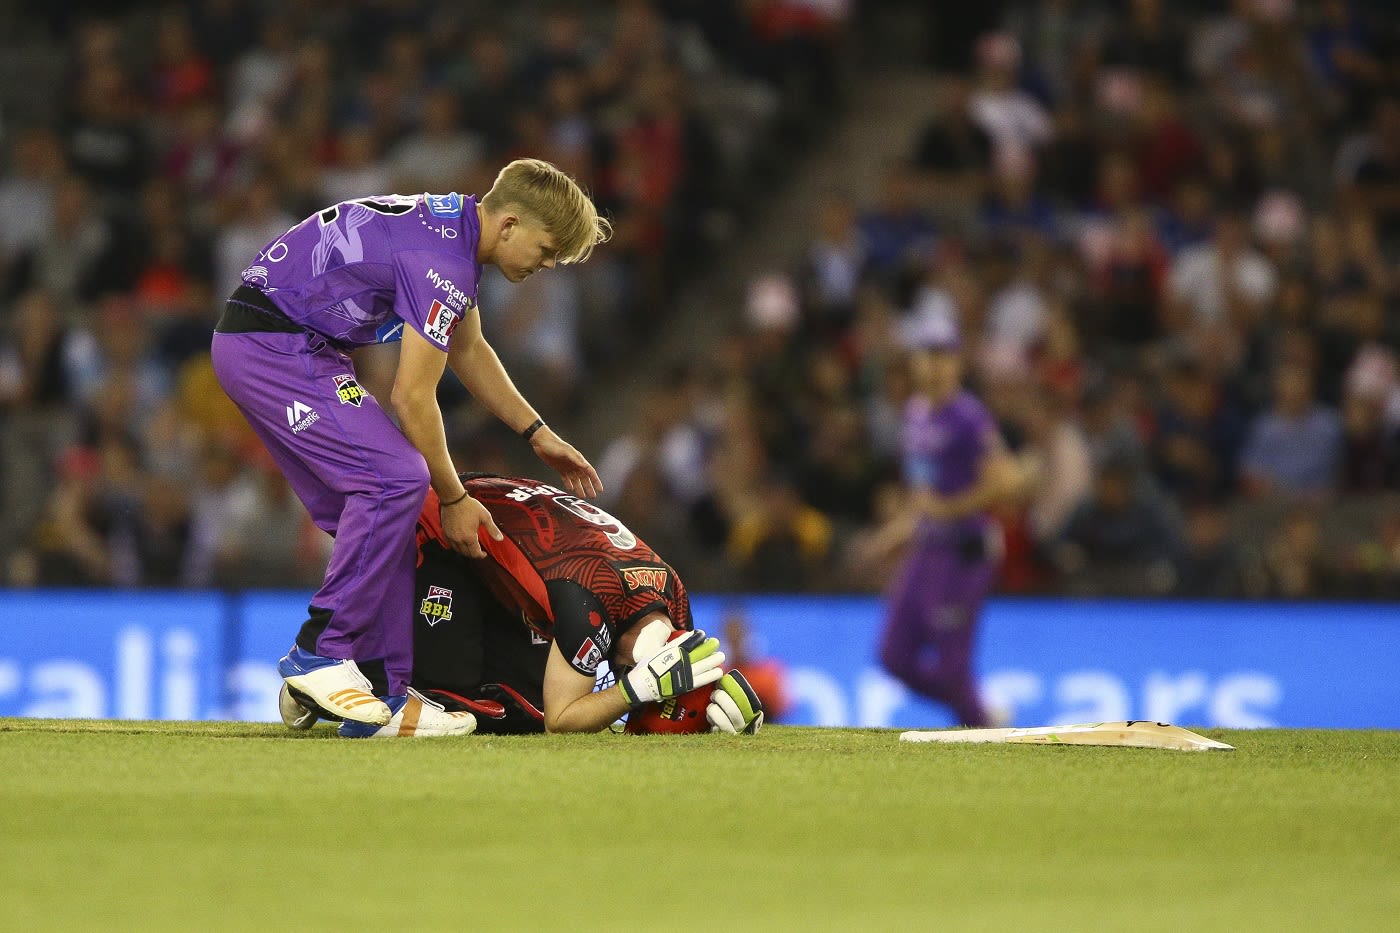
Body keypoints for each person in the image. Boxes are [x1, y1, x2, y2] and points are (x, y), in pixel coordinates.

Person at [212, 159, 609, 736]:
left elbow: (469, 350)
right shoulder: (444, 263)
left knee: (398, 509)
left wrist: (537, 433)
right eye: (547, 250)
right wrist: (454, 498)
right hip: (278, 348)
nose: (547, 265)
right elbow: (412, 398)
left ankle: (384, 695)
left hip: (287, 345)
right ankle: (319, 654)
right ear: (510, 225)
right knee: (398, 479)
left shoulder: (454, 233)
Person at [279, 473, 765, 738]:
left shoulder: (671, 596)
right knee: (493, 703)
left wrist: (724, 703)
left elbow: (679, 666)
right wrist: (635, 691)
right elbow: (562, 720)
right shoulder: (590, 601)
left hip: (488, 545)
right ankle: (352, 679)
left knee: (525, 702)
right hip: (430, 531)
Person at [866, 318, 1022, 727]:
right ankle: (980, 715)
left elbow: (1006, 480)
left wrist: (951, 509)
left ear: (957, 363)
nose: (934, 365)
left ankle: (979, 722)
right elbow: (923, 495)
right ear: (914, 362)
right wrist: (894, 534)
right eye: (927, 354)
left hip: (965, 553)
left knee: (952, 667)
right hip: (926, 550)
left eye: (943, 355)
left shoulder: (969, 417)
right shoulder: (915, 414)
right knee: (893, 657)